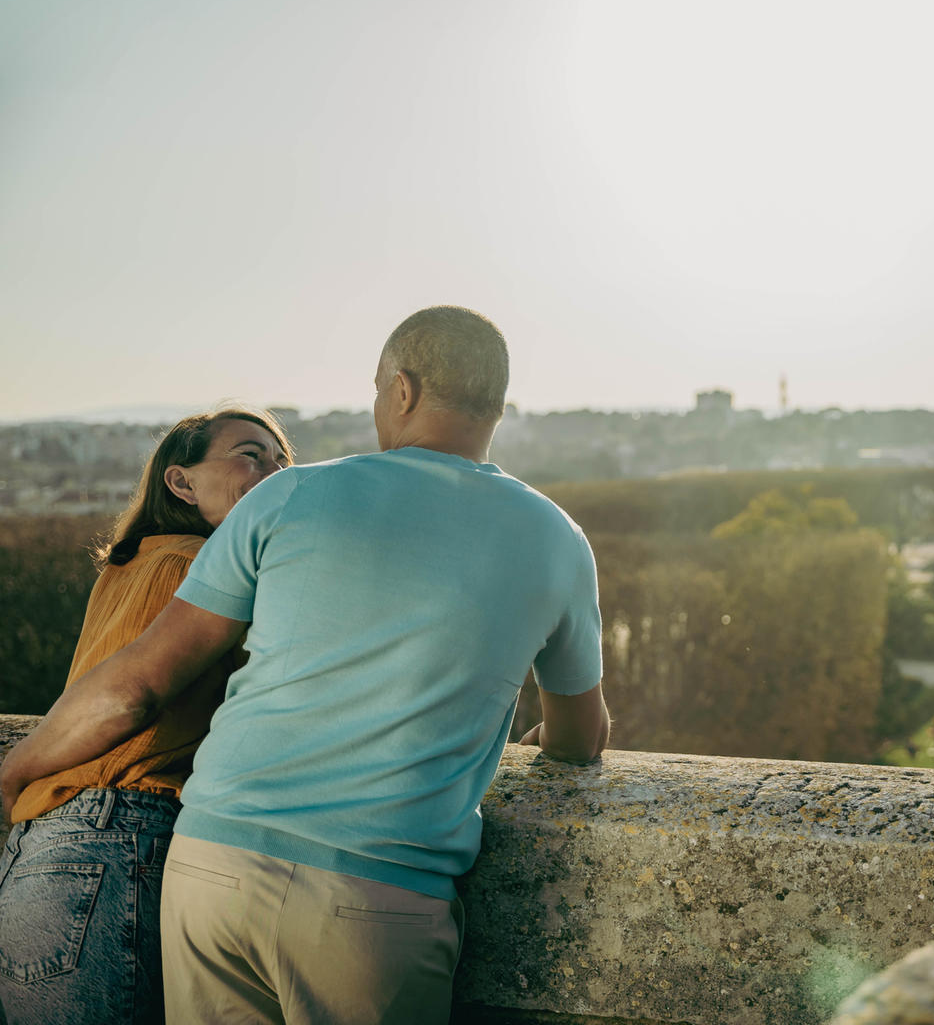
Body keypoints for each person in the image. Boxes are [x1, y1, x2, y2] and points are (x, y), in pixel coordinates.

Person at [0, 308, 610, 1025]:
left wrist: (15, 770)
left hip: (211, 867)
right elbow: (581, 735)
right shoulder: (558, 538)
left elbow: (137, 684)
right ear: (499, 407)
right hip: (377, 894)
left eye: (378, 390)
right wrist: (546, 741)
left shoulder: (289, 495)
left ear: (403, 390)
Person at [0, 408, 291, 1025]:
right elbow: (129, 697)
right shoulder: (196, 567)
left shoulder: (136, 563)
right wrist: (14, 769)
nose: (273, 471)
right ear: (182, 483)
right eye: (250, 454)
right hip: (118, 834)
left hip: (67, 844)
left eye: (280, 458)